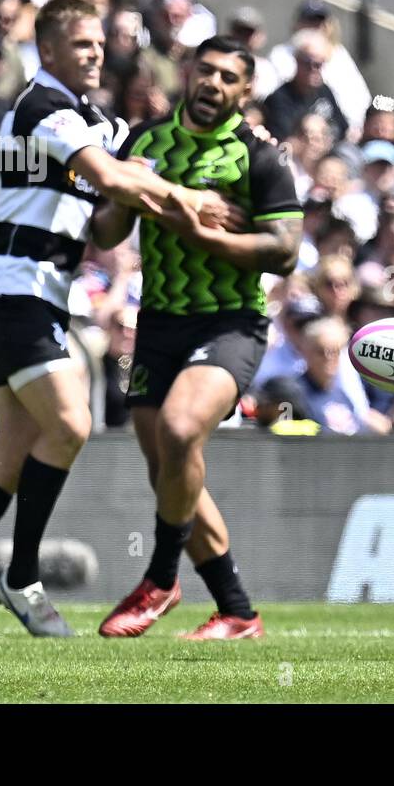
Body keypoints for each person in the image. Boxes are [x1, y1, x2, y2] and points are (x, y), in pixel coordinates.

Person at [0, 0, 230, 638]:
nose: (94, 52)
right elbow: (112, 179)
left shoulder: (91, 117)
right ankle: (21, 577)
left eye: (97, 43)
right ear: (49, 51)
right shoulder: (42, 108)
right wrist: (186, 197)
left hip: (37, 291)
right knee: (72, 423)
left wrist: (230, 135)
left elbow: (135, 173)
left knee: (14, 449)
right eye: (80, 43)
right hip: (14, 288)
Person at [95, 36, 302, 641]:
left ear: (246, 91)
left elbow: (284, 254)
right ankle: (237, 611)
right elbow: (105, 234)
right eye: (205, 70)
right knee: (172, 469)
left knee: (181, 431)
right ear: (188, 73)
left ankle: (160, 580)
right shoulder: (144, 141)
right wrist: (122, 189)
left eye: (228, 77)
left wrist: (204, 235)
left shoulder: (260, 155)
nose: (213, 83)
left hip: (228, 323)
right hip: (156, 321)